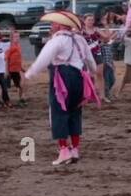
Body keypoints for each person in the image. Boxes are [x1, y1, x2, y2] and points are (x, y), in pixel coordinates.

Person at [24, 10, 96, 166]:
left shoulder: (57, 41)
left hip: (62, 77)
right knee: (75, 113)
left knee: (58, 113)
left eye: (53, 24)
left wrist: (29, 74)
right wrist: (92, 75)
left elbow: (43, 60)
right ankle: (75, 149)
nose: (51, 26)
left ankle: (64, 151)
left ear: (60, 25)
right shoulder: (80, 39)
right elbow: (90, 61)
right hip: (79, 77)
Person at [5, 31, 26, 107]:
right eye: (15, 37)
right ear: (12, 38)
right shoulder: (11, 47)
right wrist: (7, 71)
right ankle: (0, 100)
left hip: (16, 70)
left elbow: (18, 59)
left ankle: (21, 99)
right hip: (10, 70)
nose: (17, 38)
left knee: (20, 86)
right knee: (5, 86)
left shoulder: (18, 46)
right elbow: (7, 59)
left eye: (18, 36)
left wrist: (21, 68)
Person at [100, 28, 117, 102]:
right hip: (104, 65)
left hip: (109, 65)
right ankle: (106, 94)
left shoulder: (108, 45)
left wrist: (113, 64)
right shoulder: (100, 46)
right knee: (107, 81)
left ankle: (106, 92)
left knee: (112, 80)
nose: (107, 38)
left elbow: (110, 56)